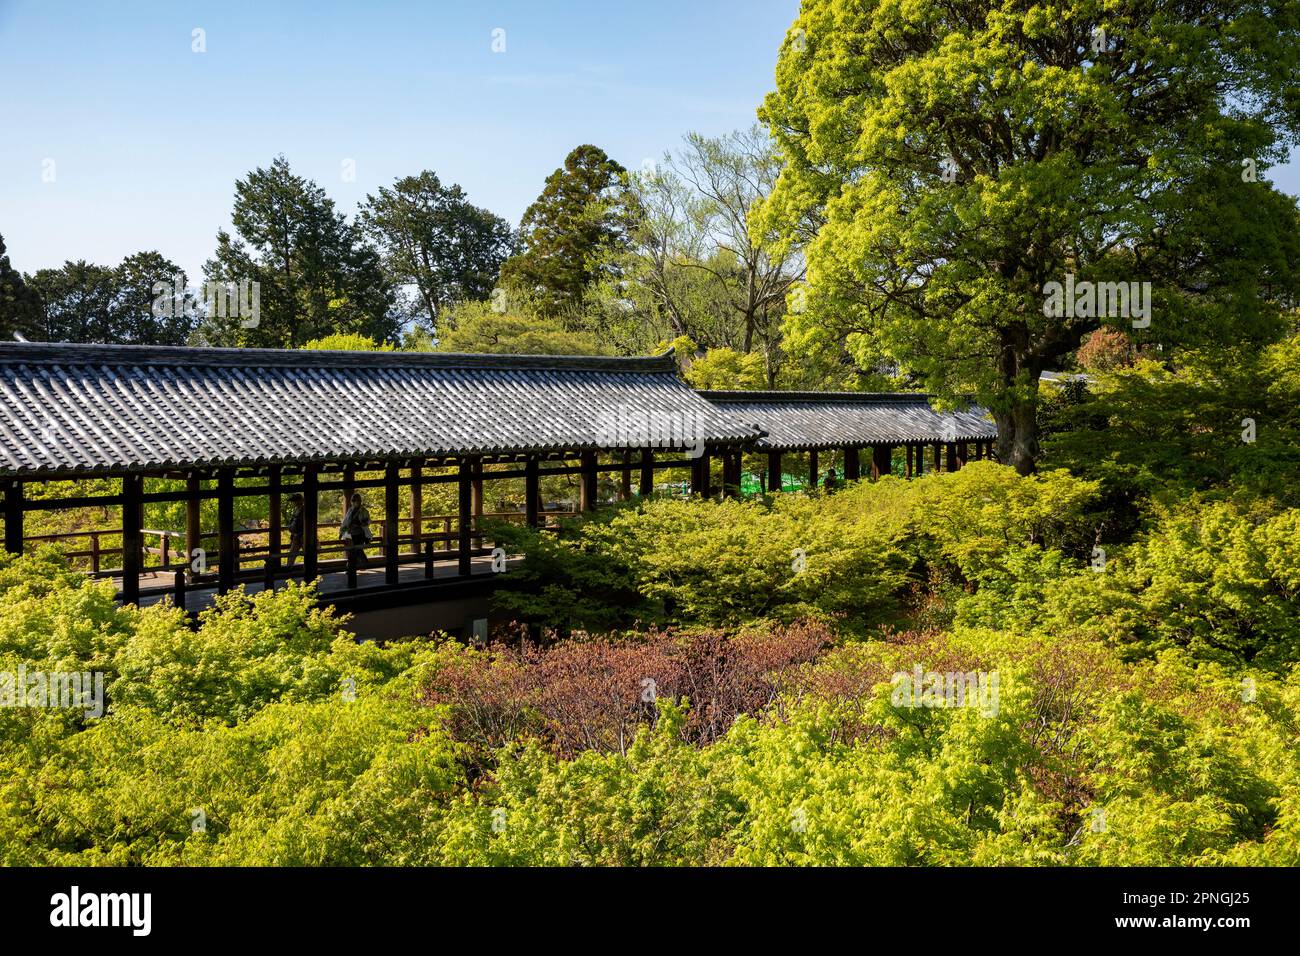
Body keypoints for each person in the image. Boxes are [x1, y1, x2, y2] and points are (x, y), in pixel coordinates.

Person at [340, 492, 372, 568]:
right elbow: (346, 522)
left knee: (356, 549)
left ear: (359, 501)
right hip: (350, 533)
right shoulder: (350, 510)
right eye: (353, 501)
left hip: (360, 533)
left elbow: (368, 521)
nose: (354, 502)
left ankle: (351, 566)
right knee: (354, 550)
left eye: (356, 501)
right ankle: (362, 563)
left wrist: (361, 523)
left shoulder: (364, 511)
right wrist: (342, 531)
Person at [285, 493, 305, 566]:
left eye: (295, 501)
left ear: (299, 500)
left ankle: (310, 570)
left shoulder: (303, 510)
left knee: (306, 554)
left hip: (302, 536)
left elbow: (302, 524)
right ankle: (288, 570)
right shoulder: (297, 510)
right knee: (291, 555)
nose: (293, 503)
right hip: (296, 536)